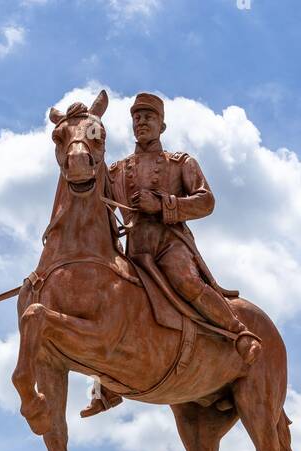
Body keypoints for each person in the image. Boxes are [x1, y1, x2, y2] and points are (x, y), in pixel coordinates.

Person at [82, 92, 260, 418]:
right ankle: (104, 385)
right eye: (137, 117)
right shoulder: (117, 170)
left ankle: (239, 333)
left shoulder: (181, 162)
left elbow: (206, 201)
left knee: (186, 281)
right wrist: (85, 127)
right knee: (103, 302)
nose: (142, 122)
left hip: (168, 244)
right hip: (133, 250)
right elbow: (87, 185)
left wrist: (165, 204)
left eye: (149, 117)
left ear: (162, 125)